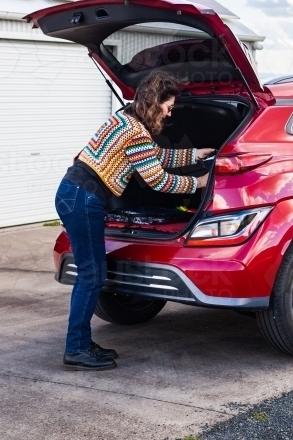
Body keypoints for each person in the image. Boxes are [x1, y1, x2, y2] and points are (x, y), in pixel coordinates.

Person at [55, 70, 214, 371]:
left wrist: (196, 154)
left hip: (73, 193)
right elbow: (159, 180)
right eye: (168, 106)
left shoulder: (124, 120)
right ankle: (75, 348)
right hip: (82, 198)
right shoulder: (135, 132)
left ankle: (82, 343)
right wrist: (200, 183)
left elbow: (157, 156)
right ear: (156, 103)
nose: (170, 113)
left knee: (92, 274)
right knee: (91, 276)